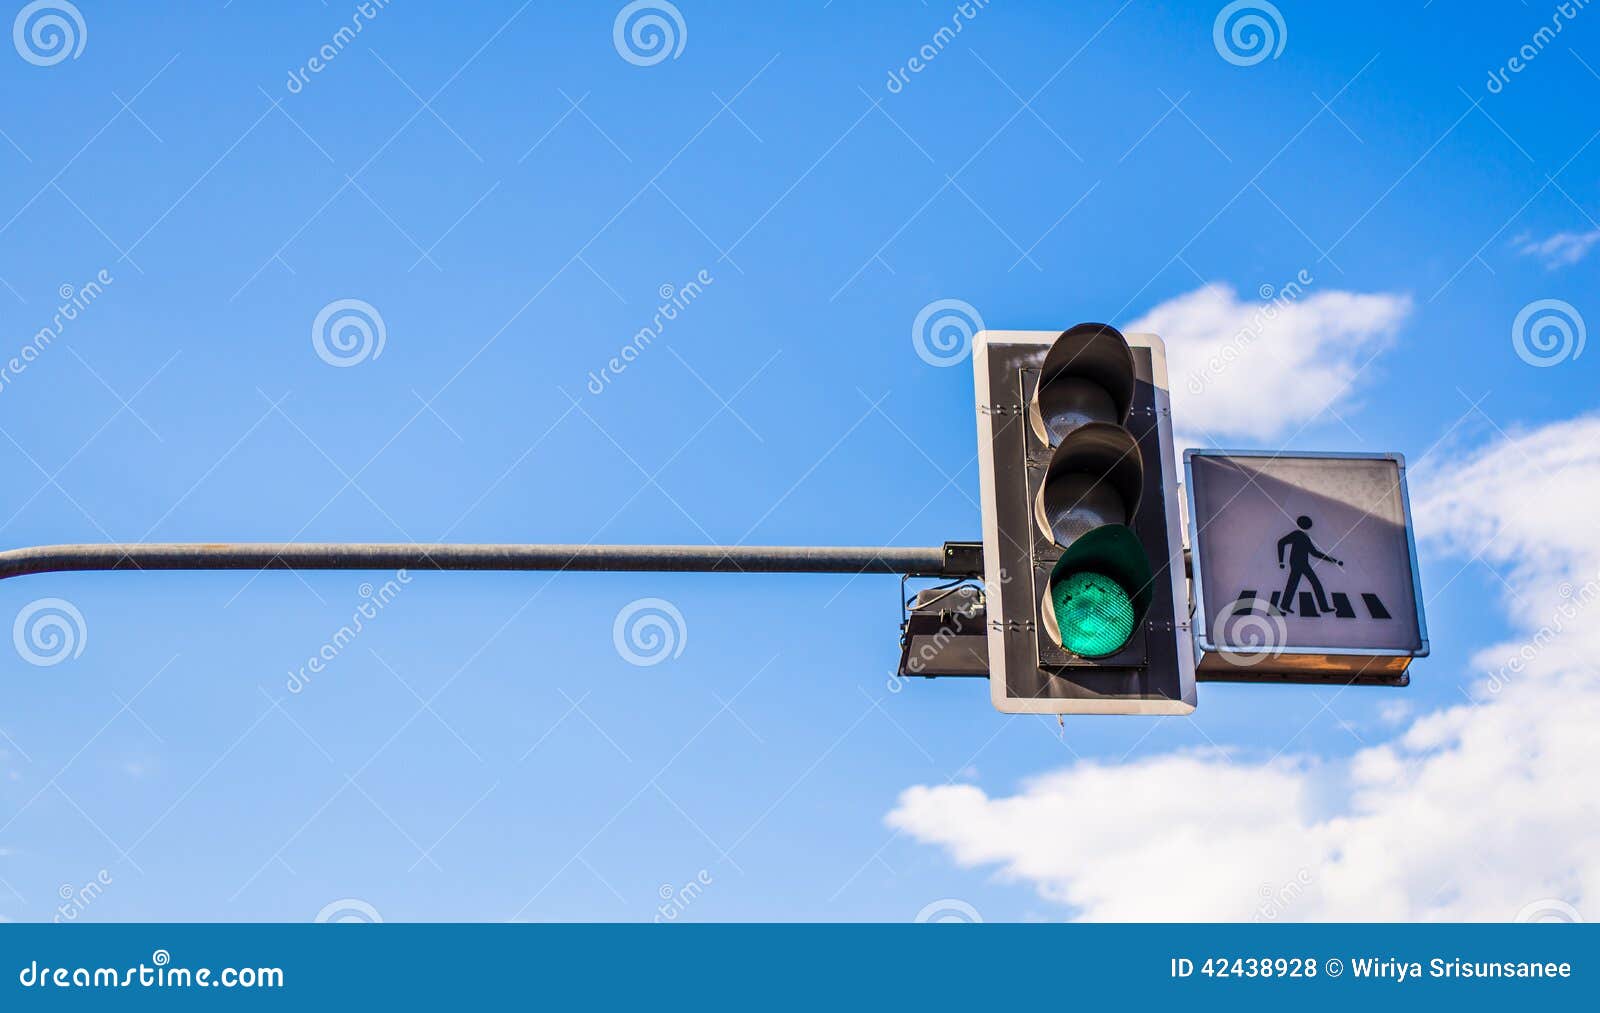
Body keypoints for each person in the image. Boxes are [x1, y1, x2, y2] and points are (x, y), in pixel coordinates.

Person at [1277, 515, 1342, 615]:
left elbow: (1314, 553)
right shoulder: (1297, 534)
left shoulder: (1305, 537)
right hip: (1297, 564)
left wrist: (1333, 560)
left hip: (1303, 564)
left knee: (1295, 584)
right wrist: (1281, 561)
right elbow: (1281, 542)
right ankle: (1323, 607)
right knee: (1305, 584)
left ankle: (1285, 606)